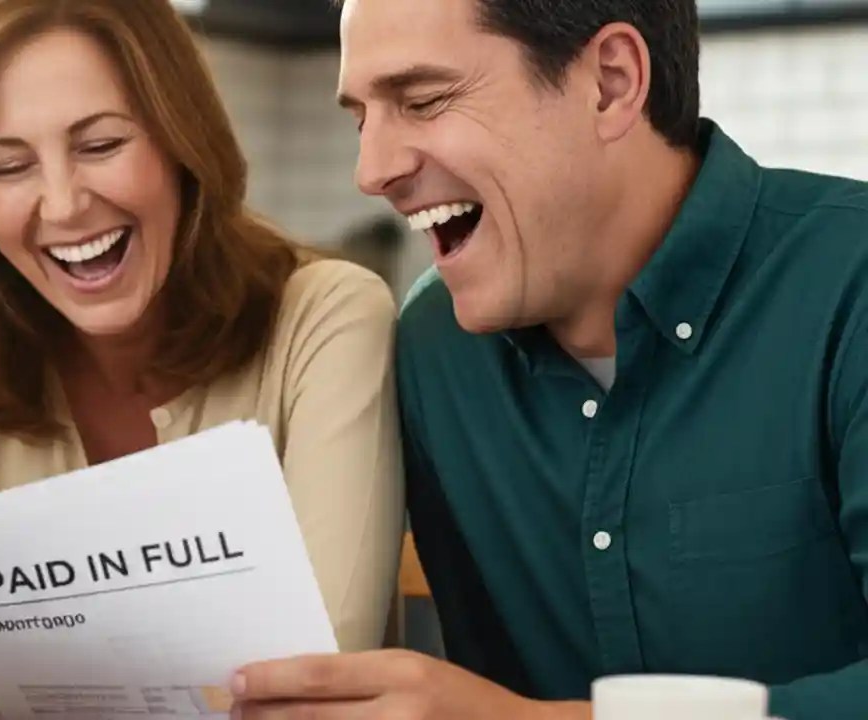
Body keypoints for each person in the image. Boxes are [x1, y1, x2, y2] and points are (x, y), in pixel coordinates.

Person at [0, 0, 406, 717]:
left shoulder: (330, 317)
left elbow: (322, 690)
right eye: (8, 165)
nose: (62, 204)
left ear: (182, 142)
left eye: (101, 145)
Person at [229, 0, 868, 719]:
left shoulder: (850, 287)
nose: (371, 172)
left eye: (424, 99)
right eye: (361, 118)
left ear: (611, 82)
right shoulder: (436, 350)